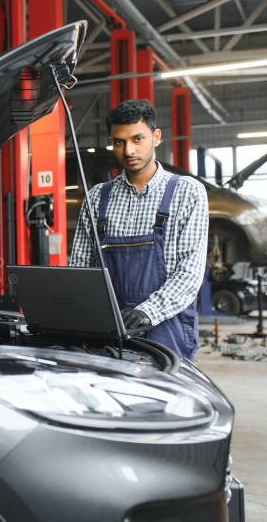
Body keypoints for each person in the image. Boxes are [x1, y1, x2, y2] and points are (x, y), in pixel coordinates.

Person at [69, 99, 208, 360]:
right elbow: (80, 268)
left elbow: (189, 273)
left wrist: (147, 312)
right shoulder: (97, 197)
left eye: (137, 139)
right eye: (119, 142)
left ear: (156, 137)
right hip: (111, 326)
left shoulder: (187, 192)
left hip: (167, 325)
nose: (128, 150)